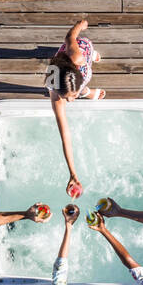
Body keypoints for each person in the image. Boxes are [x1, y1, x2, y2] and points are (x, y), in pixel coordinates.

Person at [45, 19, 104, 199]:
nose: (69, 102)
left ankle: (90, 62)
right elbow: (66, 138)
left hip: (81, 53)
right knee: (77, 88)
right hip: (66, 66)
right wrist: (73, 173)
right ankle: (85, 90)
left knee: (86, 56)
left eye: (73, 96)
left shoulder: (77, 57)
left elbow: (70, 36)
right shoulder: (54, 86)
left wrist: (80, 25)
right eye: (66, 97)